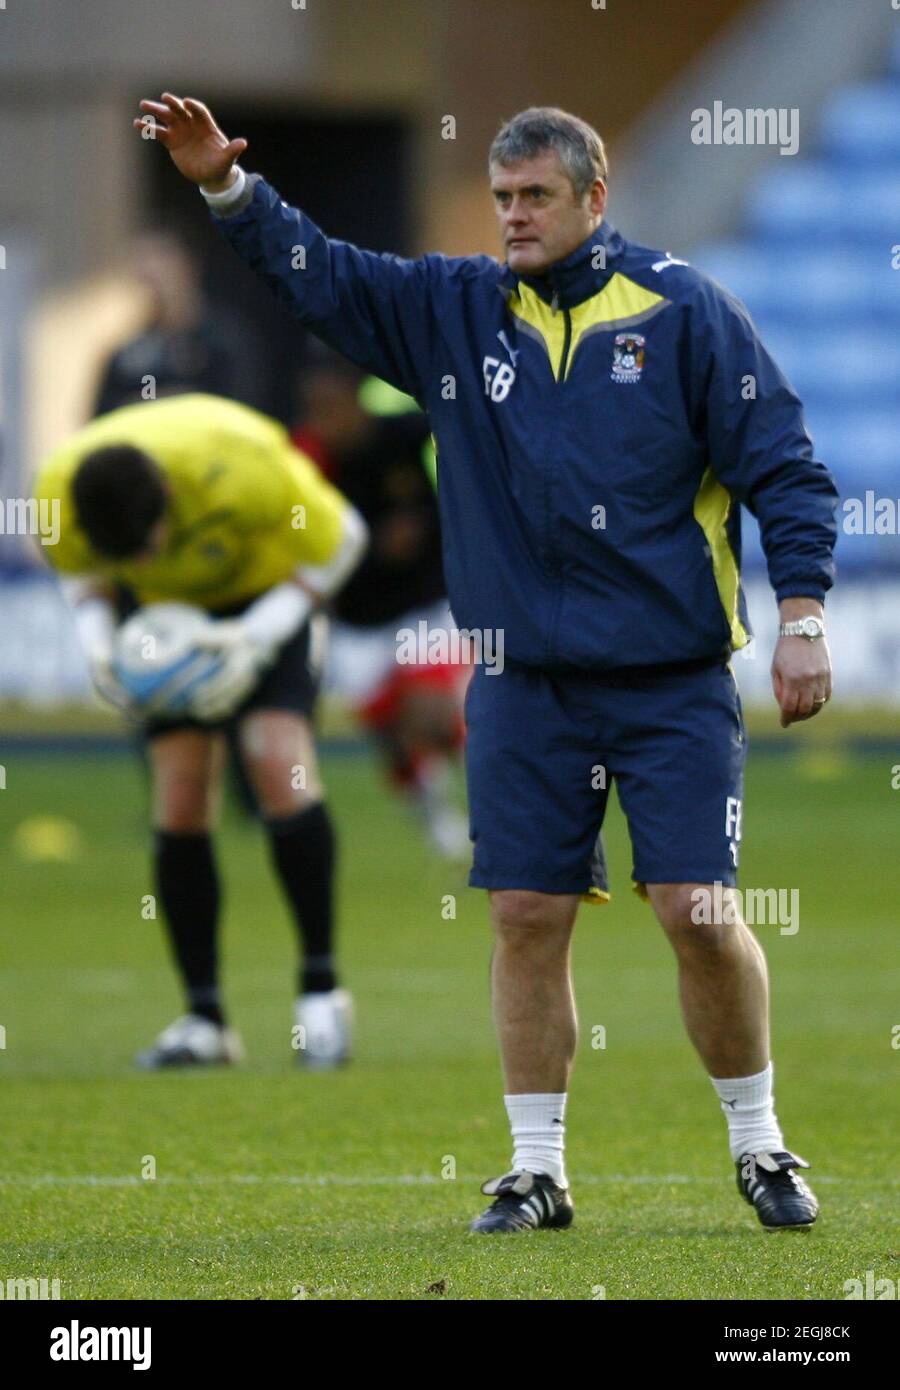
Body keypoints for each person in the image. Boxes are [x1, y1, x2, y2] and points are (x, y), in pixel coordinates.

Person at [135, 95, 838, 1233]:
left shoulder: (685, 311)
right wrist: (225, 187)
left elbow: (788, 470)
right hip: (521, 680)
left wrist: (801, 611)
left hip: (669, 677)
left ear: (594, 198)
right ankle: (536, 1168)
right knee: (523, 914)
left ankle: (760, 1144)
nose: (512, 216)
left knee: (699, 911)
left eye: (535, 198)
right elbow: (323, 275)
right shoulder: (456, 310)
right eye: (502, 197)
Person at [33, 392, 368, 1070]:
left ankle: (320, 996)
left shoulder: (240, 462)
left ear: (167, 493)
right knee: (181, 797)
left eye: (149, 543)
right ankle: (206, 1019)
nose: (146, 559)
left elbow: (346, 540)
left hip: (267, 599)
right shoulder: (56, 495)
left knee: (278, 761)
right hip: (167, 625)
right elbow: (83, 572)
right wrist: (99, 642)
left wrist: (253, 636)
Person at [292, 348, 468, 858]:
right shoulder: (305, 461)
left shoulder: (405, 435)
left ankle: (498, 809)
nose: (324, 422)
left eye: (332, 408)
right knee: (393, 738)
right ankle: (432, 810)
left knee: (431, 714)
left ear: (356, 403)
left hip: (424, 606)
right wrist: (373, 546)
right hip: (357, 621)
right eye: (314, 410)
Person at [93, 229, 263, 417]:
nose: (152, 270)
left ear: (189, 263)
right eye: (143, 260)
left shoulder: (225, 343)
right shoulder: (127, 356)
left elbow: (246, 410)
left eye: (162, 257)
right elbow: (102, 424)